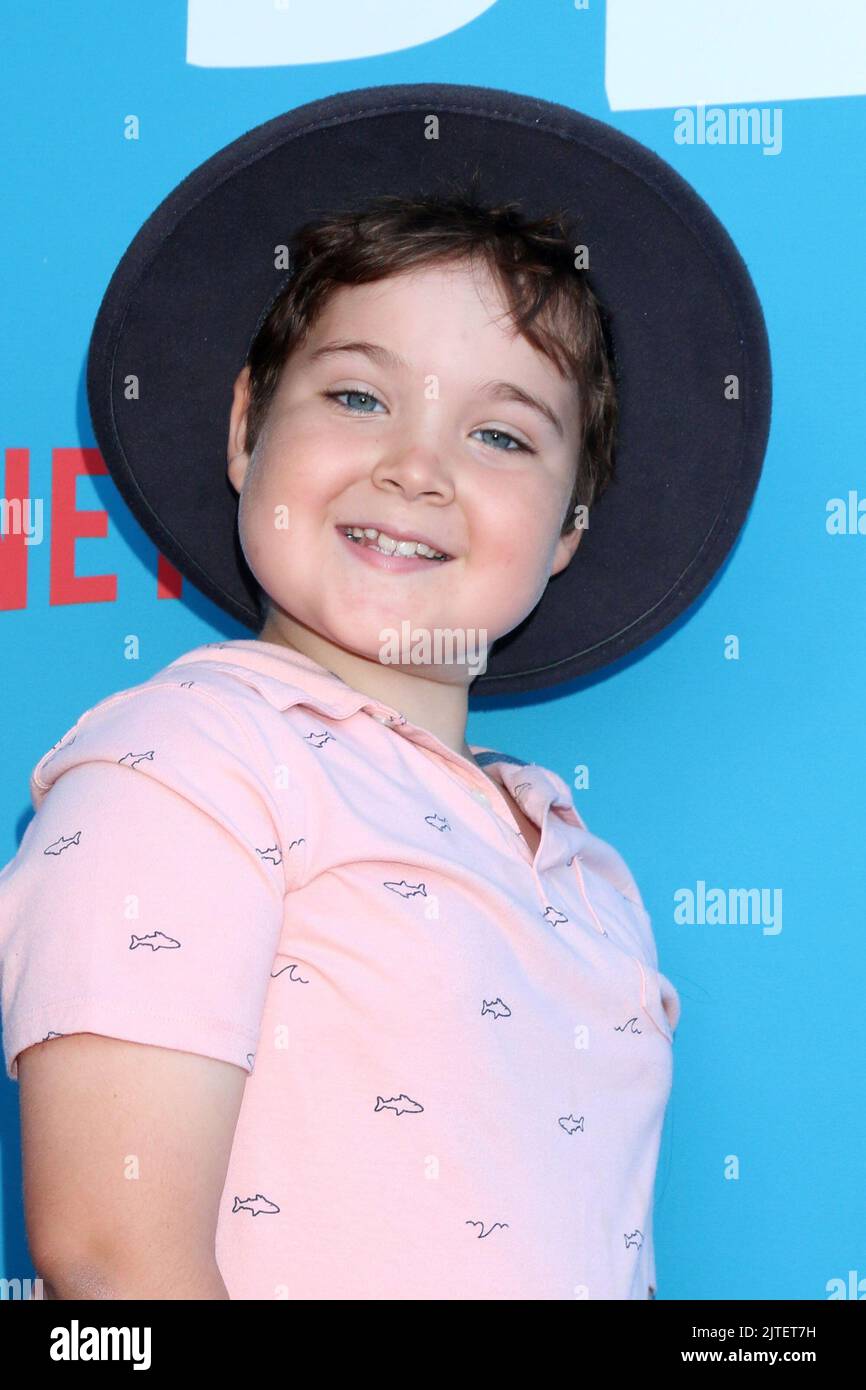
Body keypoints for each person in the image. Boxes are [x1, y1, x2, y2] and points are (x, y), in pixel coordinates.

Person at [0, 84, 771, 1301]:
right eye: (358, 396)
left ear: (568, 526)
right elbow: (112, 1261)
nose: (415, 468)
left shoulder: (586, 874)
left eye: (503, 435)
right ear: (248, 426)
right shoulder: (190, 756)